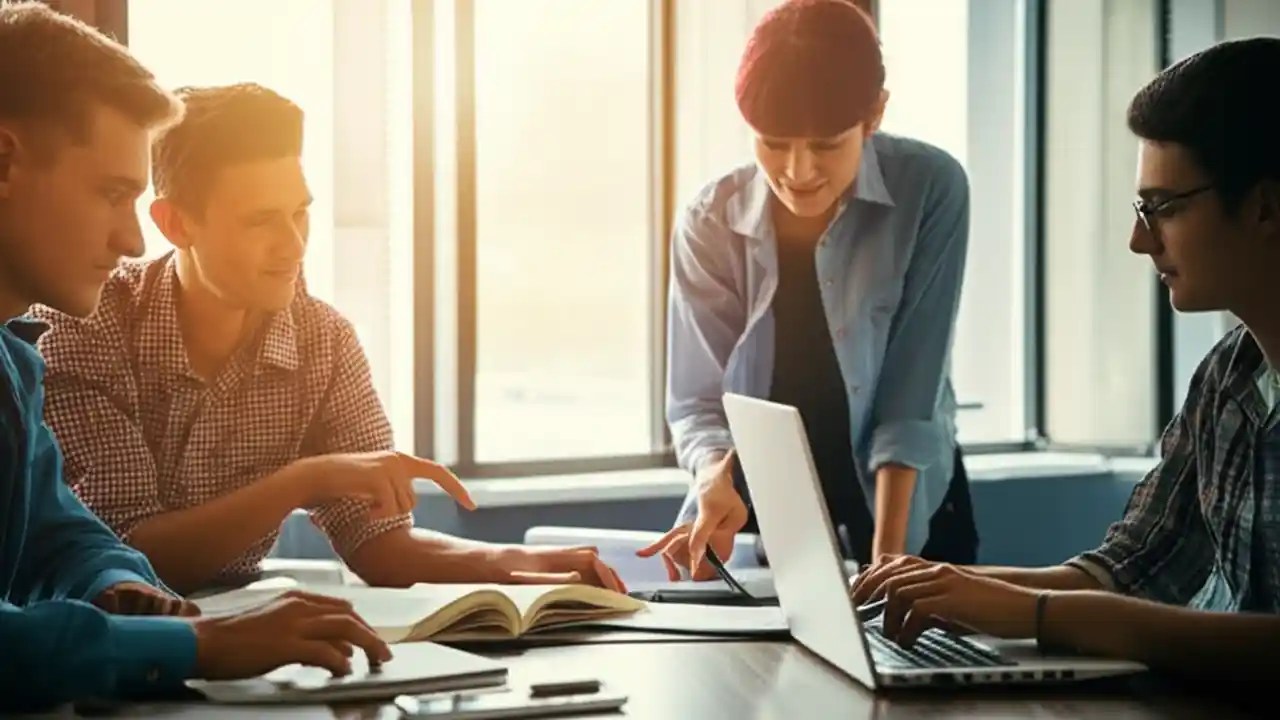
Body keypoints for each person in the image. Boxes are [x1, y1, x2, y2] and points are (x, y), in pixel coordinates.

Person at [30, 81, 626, 596]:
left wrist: (514, 563)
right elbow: (128, 555)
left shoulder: (325, 341)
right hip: (97, 644)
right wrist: (307, 479)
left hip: (244, 637)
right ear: (176, 223)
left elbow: (379, 546)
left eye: (300, 213)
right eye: (261, 220)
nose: (292, 245)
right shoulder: (86, 321)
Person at [850, 37, 1280, 684]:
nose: (1140, 241)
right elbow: (1133, 567)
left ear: (1265, 207)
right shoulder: (1230, 374)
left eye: (1161, 208)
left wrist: (1037, 611)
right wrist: (943, 585)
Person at [0, 3, 390, 711]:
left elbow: (61, 537)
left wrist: (124, 586)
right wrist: (200, 644)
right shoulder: (67, 338)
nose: (132, 240)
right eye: (112, 195)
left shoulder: (12, 360)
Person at [638, 0, 978, 579]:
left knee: (917, 654)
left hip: (905, 496)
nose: (797, 171)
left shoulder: (931, 188)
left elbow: (910, 394)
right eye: (773, 143)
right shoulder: (709, 219)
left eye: (825, 146)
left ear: (875, 115)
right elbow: (696, 402)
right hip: (761, 500)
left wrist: (889, 560)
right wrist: (713, 475)